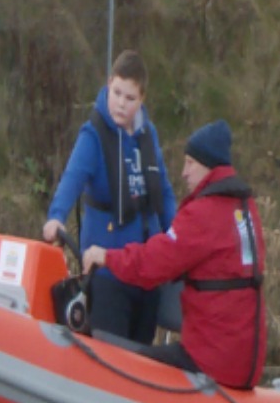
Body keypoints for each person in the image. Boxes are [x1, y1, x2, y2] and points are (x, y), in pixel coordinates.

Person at [82, 120, 268, 389]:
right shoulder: (246, 209)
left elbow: (152, 265)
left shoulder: (205, 213)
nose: (183, 172)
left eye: (190, 163)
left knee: (125, 363)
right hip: (243, 362)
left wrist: (107, 257)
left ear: (208, 166)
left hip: (213, 360)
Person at [42, 49, 178, 344]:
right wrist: (56, 217)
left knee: (141, 359)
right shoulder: (93, 136)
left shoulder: (148, 135)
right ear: (108, 84)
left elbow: (163, 192)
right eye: (116, 93)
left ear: (141, 99)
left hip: (147, 273)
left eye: (130, 98)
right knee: (110, 356)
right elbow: (72, 179)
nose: (120, 103)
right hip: (108, 276)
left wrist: (180, 236)